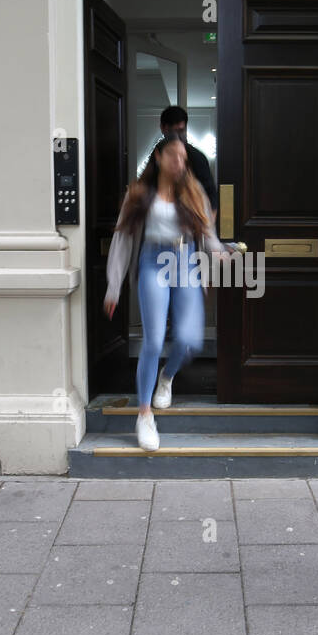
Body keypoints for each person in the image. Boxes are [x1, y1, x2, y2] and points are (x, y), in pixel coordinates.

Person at [104, 135, 228, 451]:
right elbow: (122, 241)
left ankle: (167, 376)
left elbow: (207, 232)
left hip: (185, 261)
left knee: (189, 341)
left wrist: (218, 252)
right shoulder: (138, 194)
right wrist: (114, 284)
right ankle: (144, 414)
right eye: (173, 155)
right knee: (154, 340)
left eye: (183, 157)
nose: (179, 162)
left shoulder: (193, 190)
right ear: (158, 156)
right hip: (152, 262)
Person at [155, 105, 217, 215]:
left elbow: (211, 198)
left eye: (180, 131)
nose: (177, 136)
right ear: (163, 128)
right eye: (172, 131)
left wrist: (206, 229)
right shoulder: (156, 154)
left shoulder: (197, 158)